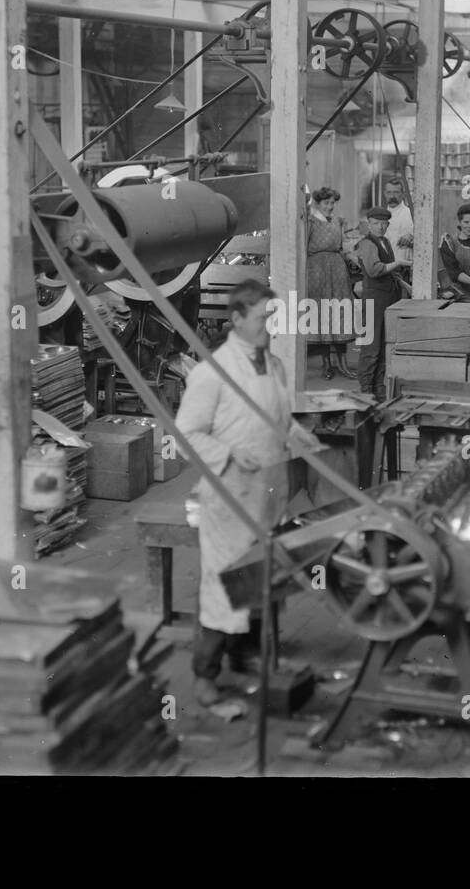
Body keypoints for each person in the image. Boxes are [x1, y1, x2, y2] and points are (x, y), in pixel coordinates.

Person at [174, 280, 325, 707]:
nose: (269, 327)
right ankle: (205, 673)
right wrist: (228, 454)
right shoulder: (211, 373)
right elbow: (187, 435)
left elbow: (277, 419)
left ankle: (247, 656)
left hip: (267, 490)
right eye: (263, 319)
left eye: (273, 318)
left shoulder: (275, 366)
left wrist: (299, 436)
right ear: (237, 319)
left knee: (261, 578)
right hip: (228, 494)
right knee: (225, 584)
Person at [355, 206, 408, 401]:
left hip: (388, 297)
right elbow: (375, 269)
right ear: (369, 224)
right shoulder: (366, 244)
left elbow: (390, 272)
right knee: (371, 346)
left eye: (383, 224)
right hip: (373, 300)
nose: (380, 227)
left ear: (388, 225)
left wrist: (405, 285)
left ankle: (378, 387)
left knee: (384, 344)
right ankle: (366, 389)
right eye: (376, 224)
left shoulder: (384, 242)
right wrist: (400, 263)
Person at [305, 187, 358, 381]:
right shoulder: (310, 222)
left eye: (332, 202)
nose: (330, 206)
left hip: (337, 271)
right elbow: (303, 247)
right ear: (318, 204)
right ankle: (326, 364)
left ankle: (343, 364)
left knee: (340, 314)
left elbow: (343, 248)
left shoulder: (338, 221)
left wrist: (356, 259)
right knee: (323, 317)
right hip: (317, 272)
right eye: (326, 203)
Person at [385, 189, 414, 264]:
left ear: (403, 194)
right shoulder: (382, 216)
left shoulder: (410, 214)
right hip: (388, 265)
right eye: (389, 192)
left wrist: (411, 236)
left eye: (396, 192)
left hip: (406, 265)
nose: (392, 196)